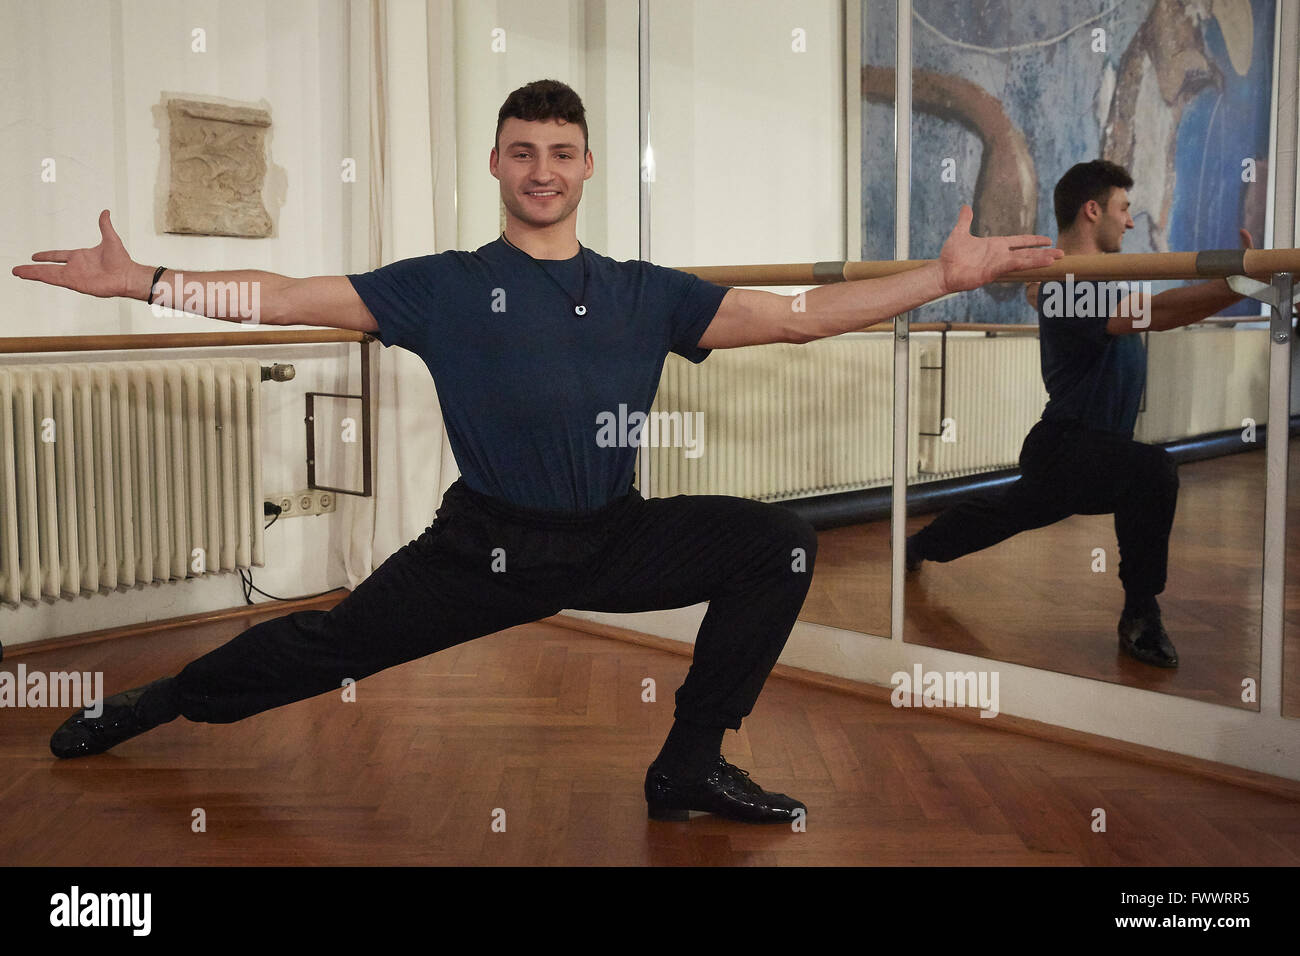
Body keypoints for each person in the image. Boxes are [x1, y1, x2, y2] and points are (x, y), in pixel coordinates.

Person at [14, 79, 1059, 823]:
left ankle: (689, 764)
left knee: (777, 544)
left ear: (587, 165)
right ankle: (155, 701)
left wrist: (940, 277)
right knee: (323, 647)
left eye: (561, 152)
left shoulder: (648, 289)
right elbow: (281, 297)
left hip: (608, 536)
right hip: (484, 549)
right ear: (497, 164)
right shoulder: (442, 286)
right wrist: (148, 280)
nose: (542, 169)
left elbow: (793, 317)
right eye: (523, 150)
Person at [905, 159, 1253, 669]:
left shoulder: (1089, 280)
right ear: (1093, 210)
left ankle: (917, 546)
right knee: (1152, 471)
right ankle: (1140, 613)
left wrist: (1236, 286)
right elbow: (1158, 314)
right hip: (1067, 446)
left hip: (1087, 450)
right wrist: (1236, 286)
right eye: (1123, 208)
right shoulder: (1065, 282)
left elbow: (1157, 310)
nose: (1130, 221)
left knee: (1006, 513)